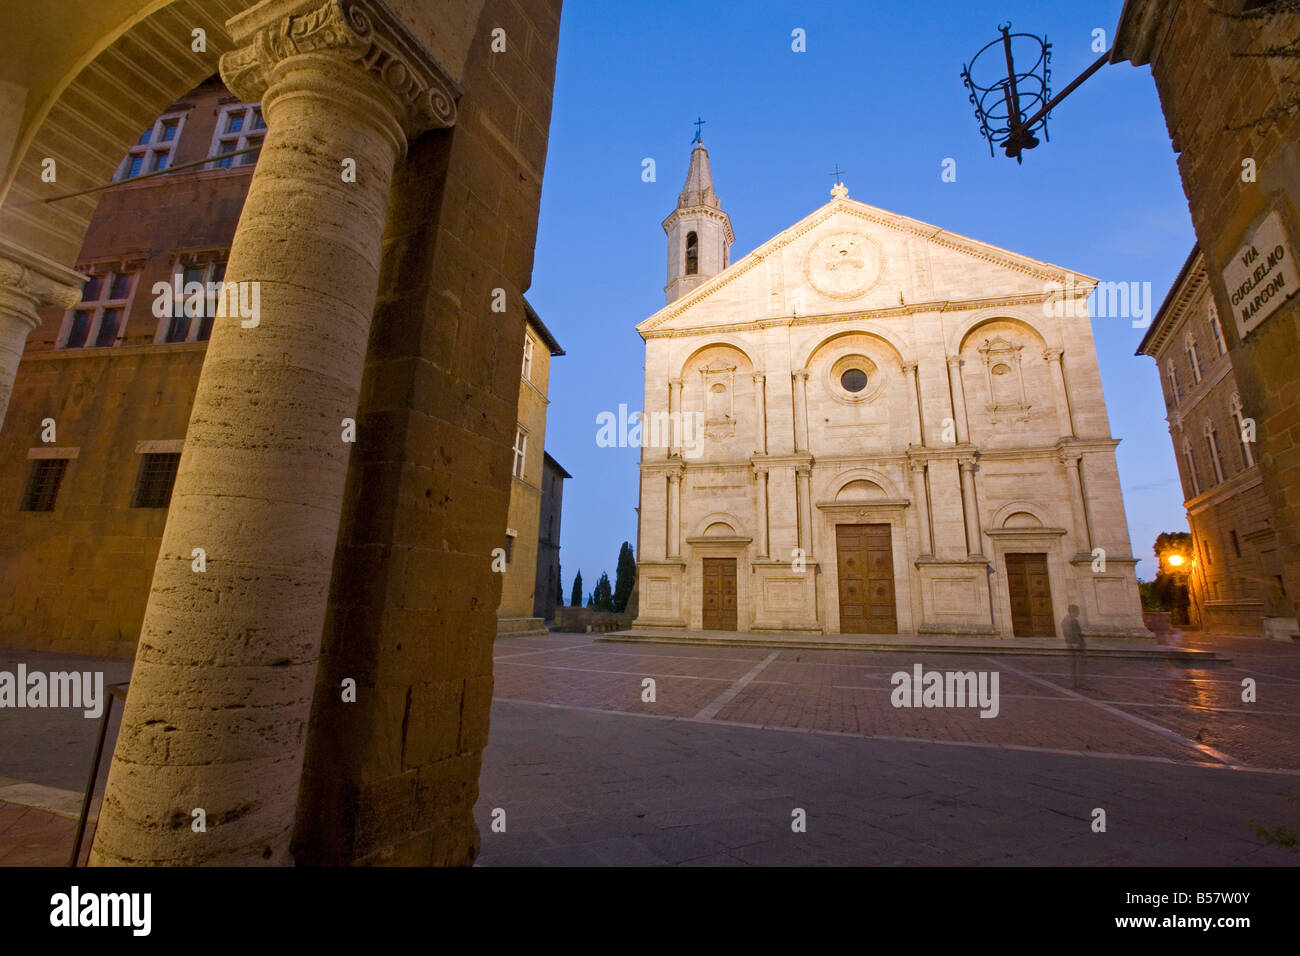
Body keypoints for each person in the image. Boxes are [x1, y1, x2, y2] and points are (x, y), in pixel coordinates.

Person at [1062, 604, 1087, 689]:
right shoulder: (1073, 621)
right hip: (1076, 645)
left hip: (1069, 644)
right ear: (1074, 611)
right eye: (1078, 611)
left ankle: (1073, 683)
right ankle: (1080, 683)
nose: (1079, 613)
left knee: (1072, 664)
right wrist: (1080, 646)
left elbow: (1066, 634)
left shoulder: (1064, 620)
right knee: (1080, 664)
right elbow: (1076, 634)